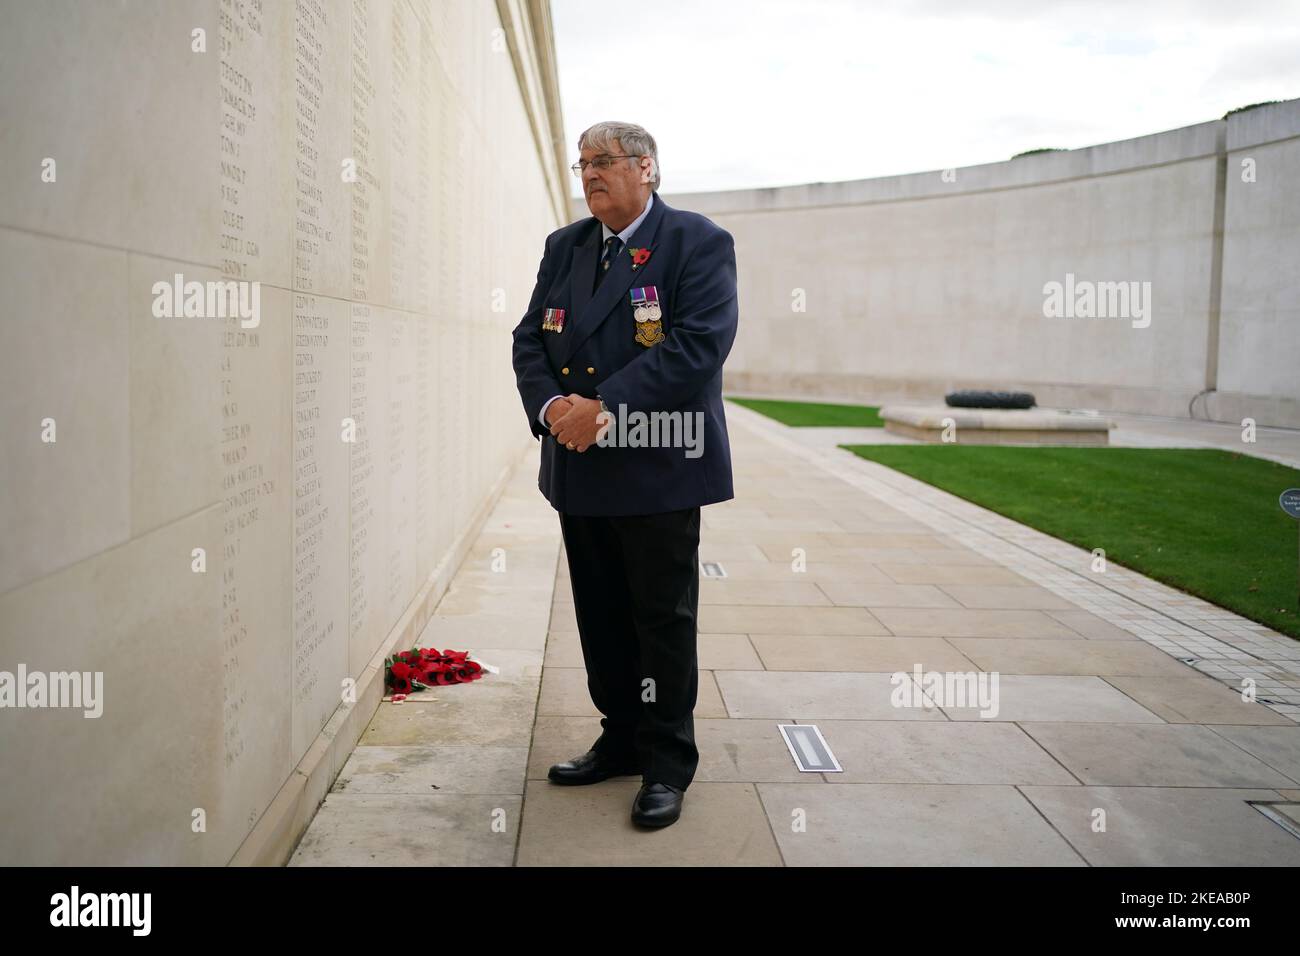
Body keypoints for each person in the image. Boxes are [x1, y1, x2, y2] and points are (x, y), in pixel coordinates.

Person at [510, 120, 738, 827]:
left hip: (656, 464)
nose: (590, 175)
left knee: (661, 618)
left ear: (647, 168)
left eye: (604, 162)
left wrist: (600, 409)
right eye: (582, 164)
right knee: (601, 613)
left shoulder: (695, 241)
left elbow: (697, 346)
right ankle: (620, 738)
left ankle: (667, 759)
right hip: (579, 467)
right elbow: (529, 338)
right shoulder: (566, 246)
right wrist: (552, 408)